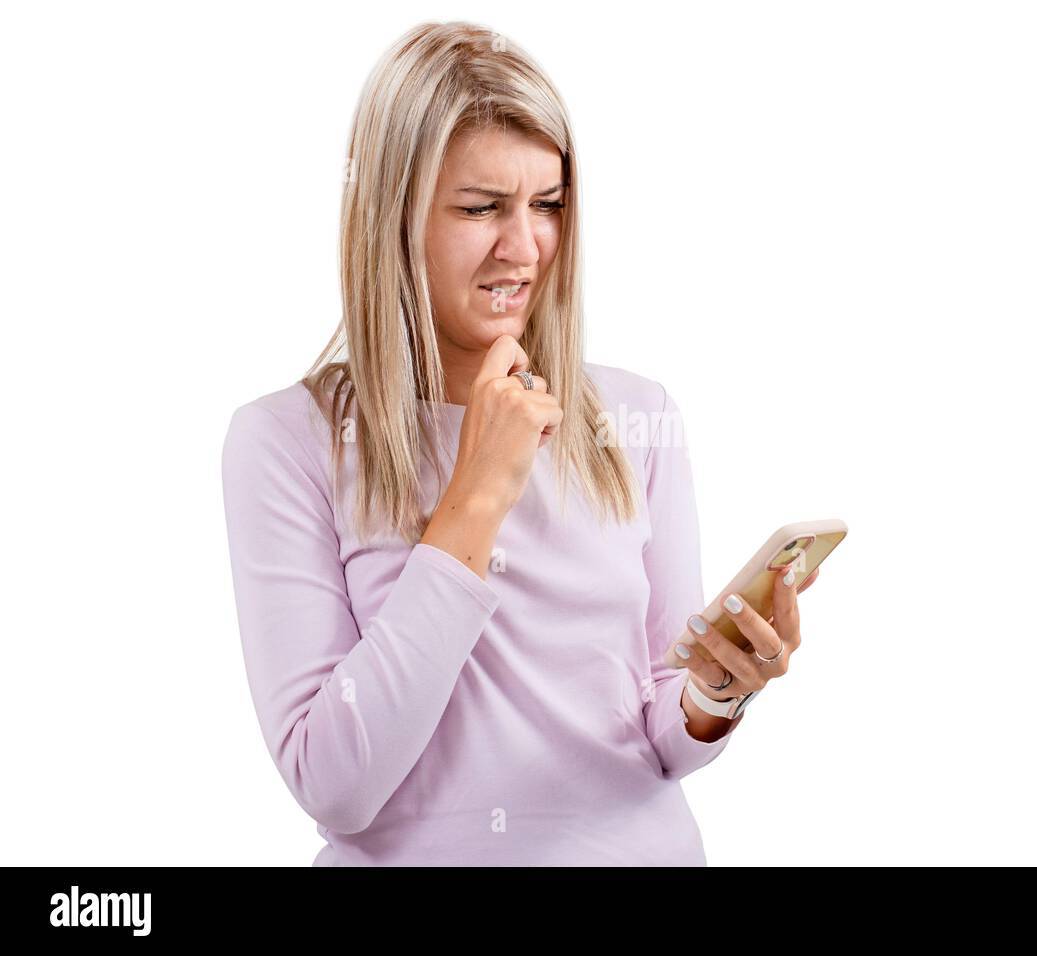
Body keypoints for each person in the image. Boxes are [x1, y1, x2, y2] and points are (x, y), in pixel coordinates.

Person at [220, 20, 817, 866]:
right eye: (480, 208)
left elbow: (657, 725)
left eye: (547, 205)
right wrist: (477, 494)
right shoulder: (286, 442)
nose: (524, 246)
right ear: (392, 215)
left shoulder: (637, 416)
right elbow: (335, 782)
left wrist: (715, 693)